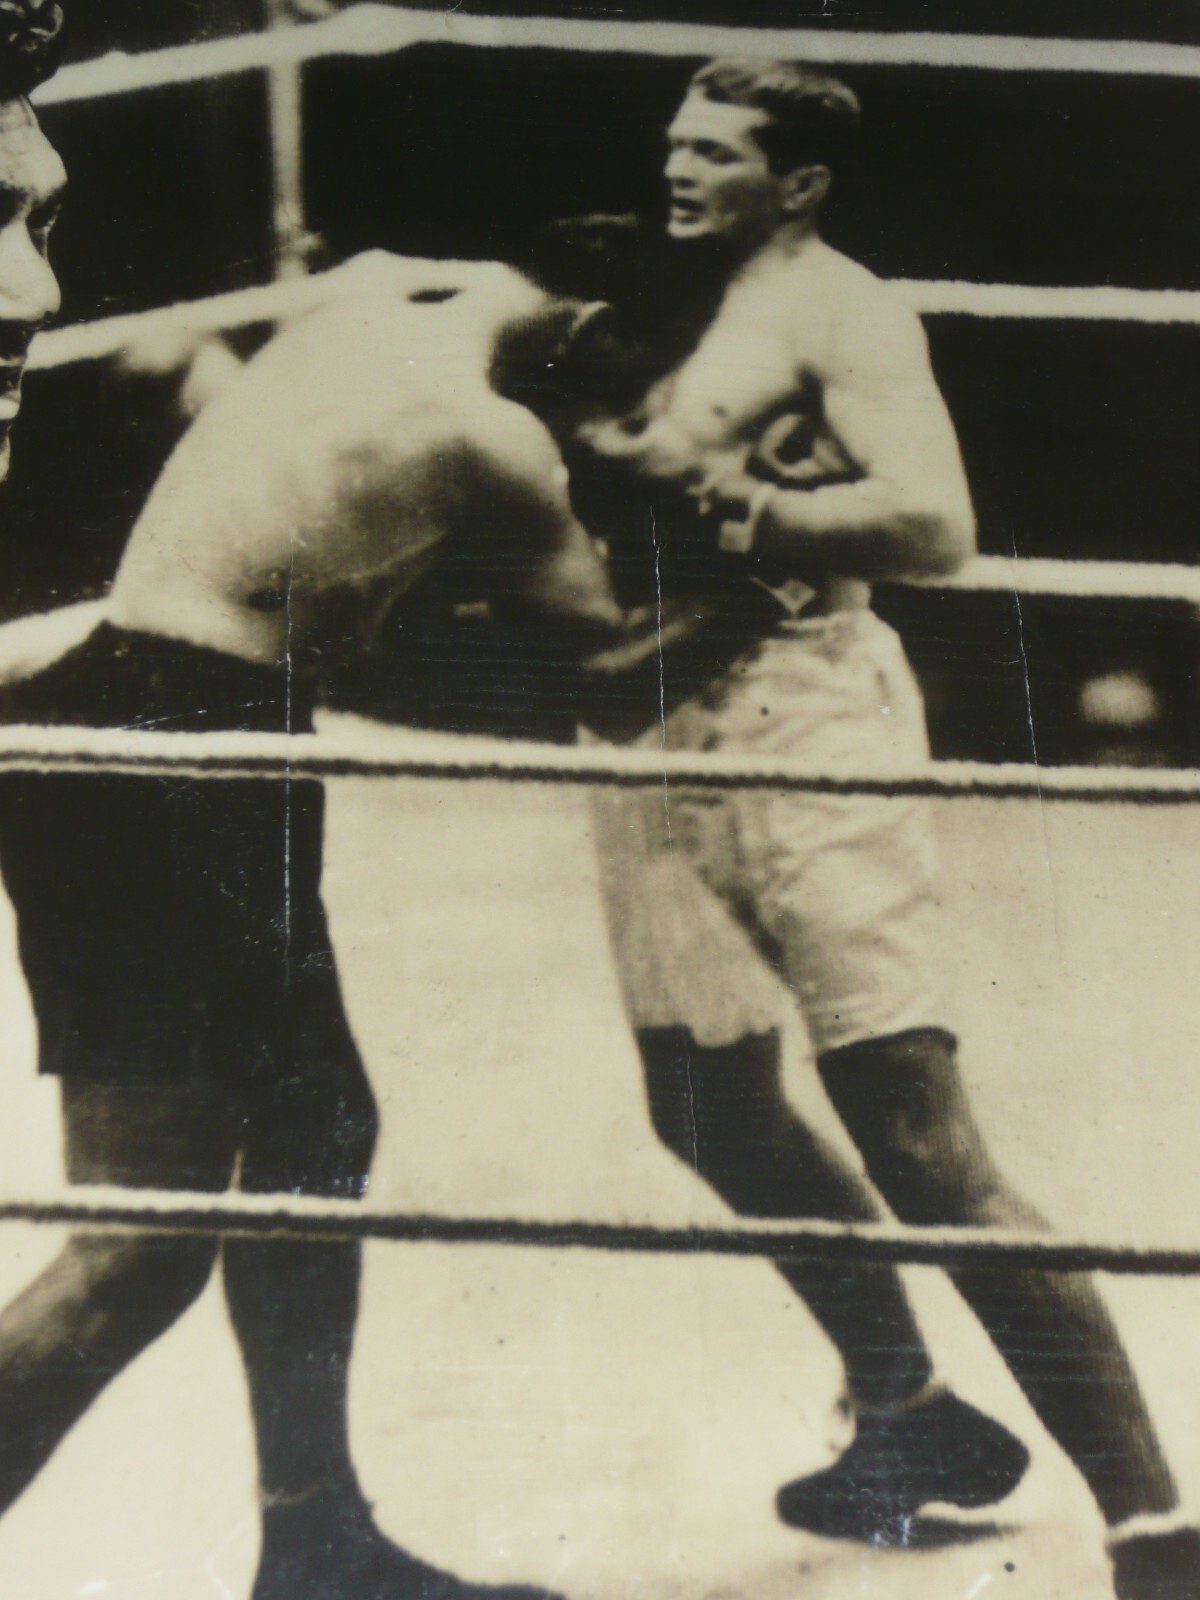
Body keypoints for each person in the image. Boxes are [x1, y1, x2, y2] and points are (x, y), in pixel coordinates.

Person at [557, 58, 1198, 1598]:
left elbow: (934, 525)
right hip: (647, 721)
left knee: (915, 1129)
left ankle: (1154, 1529)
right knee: (705, 1101)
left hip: (799, 715)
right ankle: (906, 1411)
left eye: (717, 150)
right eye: (676, 141)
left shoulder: (841, 308)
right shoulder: (665, 285)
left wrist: (725, 515)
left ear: (801, 181)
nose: (683, 167)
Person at [0, 215, 616, 1599]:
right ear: (587, 338)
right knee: (136, 1250)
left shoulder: (369, 312)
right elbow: (619, 658)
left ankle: (316, 1537)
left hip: (166, 720)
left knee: (316, 1117)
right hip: (177, 750)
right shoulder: (492, 436)